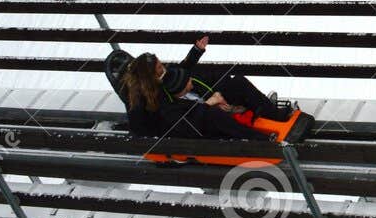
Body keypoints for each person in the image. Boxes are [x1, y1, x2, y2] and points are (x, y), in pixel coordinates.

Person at [110, 34, 302, 140]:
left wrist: (195, 52)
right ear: (149, 77)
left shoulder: (163, 79)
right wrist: (209, 104)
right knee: (214, 115)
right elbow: (179, 120)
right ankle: (259, 139)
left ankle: (274, 115)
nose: (164, 69)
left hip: (196, 107)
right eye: (160, 68)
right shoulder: (149, 100)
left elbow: (181, 72)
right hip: (187, 128)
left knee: (237, 82)